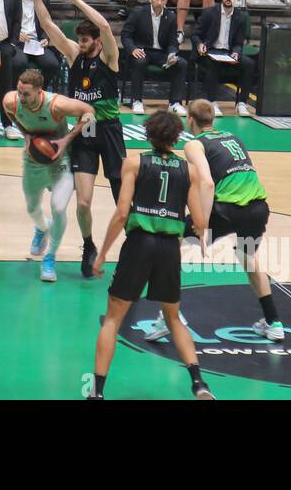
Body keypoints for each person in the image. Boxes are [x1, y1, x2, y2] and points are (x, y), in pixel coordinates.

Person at [90, 109, 214, 401]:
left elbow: (122, 213)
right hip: (169, 248)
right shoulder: (190, 171)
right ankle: (199, 383)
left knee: (113, 319)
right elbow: (200, 221)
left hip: (139, 243)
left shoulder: (133, 162)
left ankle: (96, 392)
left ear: (148, 134)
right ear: (176, 137)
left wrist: (102, 254)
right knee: (173, 318)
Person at [147, 99, 280, 343]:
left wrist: (203, 223)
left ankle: (168, 316)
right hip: (258, 207)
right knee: (248, 256)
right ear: (213, 118)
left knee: (169, 244)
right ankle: (274, 323)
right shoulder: (233, 137)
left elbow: (207, 183)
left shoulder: (194, 145)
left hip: (226, 209)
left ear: (190, 119)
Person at [25, 0, 125, 278]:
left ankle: (135, 248)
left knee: (123, 200)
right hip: (83, 135)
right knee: (83, 203)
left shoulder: (109, 57)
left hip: (108, 132)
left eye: (85, 40)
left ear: (95, 41)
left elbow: (107, 28)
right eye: (79, 39)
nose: (80, 43)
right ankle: (88, 245)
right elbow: (46, 23)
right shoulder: (73, 55)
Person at [2, 70, 96, 283]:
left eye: (26, 94)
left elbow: (89, 112)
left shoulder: (57, 105)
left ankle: (50, 257)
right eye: (19, 92)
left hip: (59, 161)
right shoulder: (11, 101)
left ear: (38, 91)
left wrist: (68, 139)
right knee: (32, 209)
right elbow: (9, 111)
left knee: (59, 208)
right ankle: (42, 228)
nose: (21, 98)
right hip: (32, 161)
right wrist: (25, 134)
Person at [122, 0, 189, 116]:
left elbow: (173, 42)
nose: (159, 2)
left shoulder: (171, 17)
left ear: (166, 0)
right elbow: (125, 35)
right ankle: (137, 101)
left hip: (161, 53)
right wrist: (133, 49)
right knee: (139, 61)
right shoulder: (138, 13)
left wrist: (172, 54)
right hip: (142, 50)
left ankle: (174, 103)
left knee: (182, 63)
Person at [191, 0, 253, 117]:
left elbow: (238, 42)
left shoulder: (241, 17)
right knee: (213, 63)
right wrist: (199, 45)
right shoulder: (209, 13)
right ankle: (212, 101)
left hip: (228, 53)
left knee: (249, 64)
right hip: (209, 51)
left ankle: (241, 103)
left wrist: (236, 52)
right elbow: (195, 34)